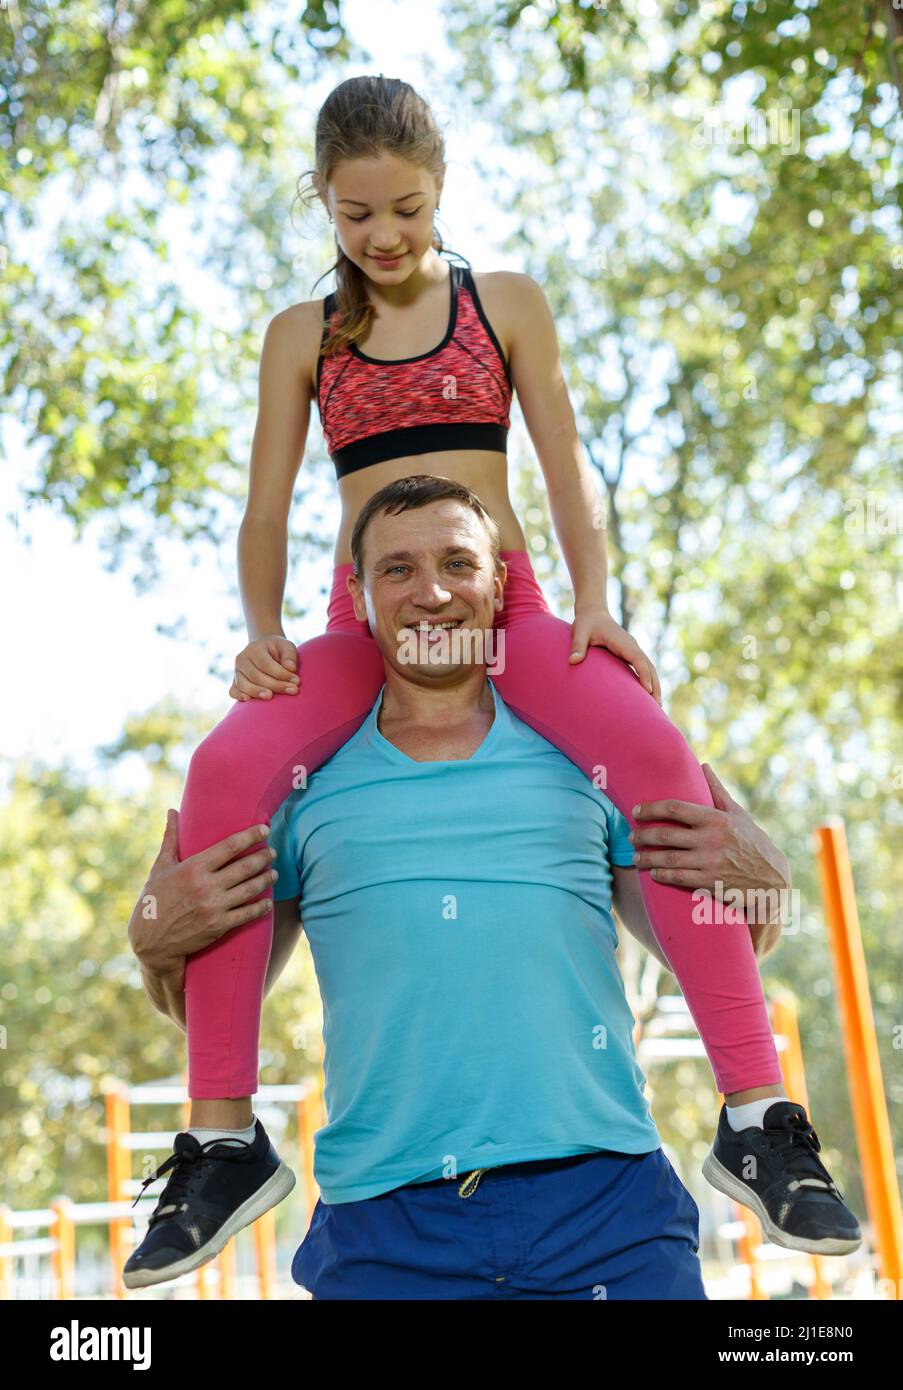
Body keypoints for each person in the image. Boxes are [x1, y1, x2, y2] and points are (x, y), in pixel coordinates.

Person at [125, 75, 860, 1282]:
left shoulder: (503, 303)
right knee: (224, 764)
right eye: (356, 214)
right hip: (366, 612)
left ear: (442, 185)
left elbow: (565, 466)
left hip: (504, 601)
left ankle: (757, 1117)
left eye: (407, 208)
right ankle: (219, 1134)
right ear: (323, 201)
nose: (385, 236)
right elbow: (266, 504)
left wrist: (596, 606)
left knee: (664, 758)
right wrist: (260, 631)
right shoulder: (302, 337)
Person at [125, 480, 860, 1293]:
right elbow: (209, 1006)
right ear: (359, 601)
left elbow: (725, 944)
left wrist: (772, 883)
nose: (431, 592)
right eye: (397, 570)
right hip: (384, 1228)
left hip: (608, 1212)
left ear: (500, 584)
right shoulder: (302, 789)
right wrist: (154, 947)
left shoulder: (587, 759)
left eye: (456, 563)